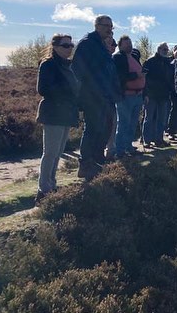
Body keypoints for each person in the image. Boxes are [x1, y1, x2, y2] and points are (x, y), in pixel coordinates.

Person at [72, 15, 121, 179]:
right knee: (92, 129)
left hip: (106, 97)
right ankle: (86, 163)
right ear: (97, 25)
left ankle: (97, 161)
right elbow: (78, 69)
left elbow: (109, 72)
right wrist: (93, 90)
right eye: (106, 25)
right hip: (93, 97)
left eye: (111, 27)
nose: (109, 29)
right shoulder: (87, 43)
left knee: (105, 129)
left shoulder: (101, 45)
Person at [35, 34, 80, 203]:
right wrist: (66, 93)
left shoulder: (68, 65)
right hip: (53, 113)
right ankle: (43, 189)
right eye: (65, 45)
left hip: (66, 113)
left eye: (71, 45)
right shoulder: (48, 64)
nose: (69, 48)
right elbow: (43, 89)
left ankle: (51, 184)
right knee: (50, 153)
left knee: (58, 152)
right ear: (55, 47)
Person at [113, 35, 145, 158]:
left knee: (132, 123)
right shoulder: (118, 57)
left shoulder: (134, 57)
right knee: (124, 123)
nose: (129, 45)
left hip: (138, 94)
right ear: (120, 45)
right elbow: (120, 76)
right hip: (125, 95)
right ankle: (120, 151)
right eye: (126, 43)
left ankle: (129, 147)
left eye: (130, 43)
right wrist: (136, 75)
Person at [142, 42, 174, 147]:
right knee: (149, 118)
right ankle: (146, 141)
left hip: (164, 95)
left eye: (167, 49)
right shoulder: (150, 61)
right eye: (164, 49)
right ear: (159, 49)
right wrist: (145, 93)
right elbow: (144, 78)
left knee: (162, 119)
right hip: (151, 94)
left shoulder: (167, 62)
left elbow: (170, 78)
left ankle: (158, 139)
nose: (166, 51)